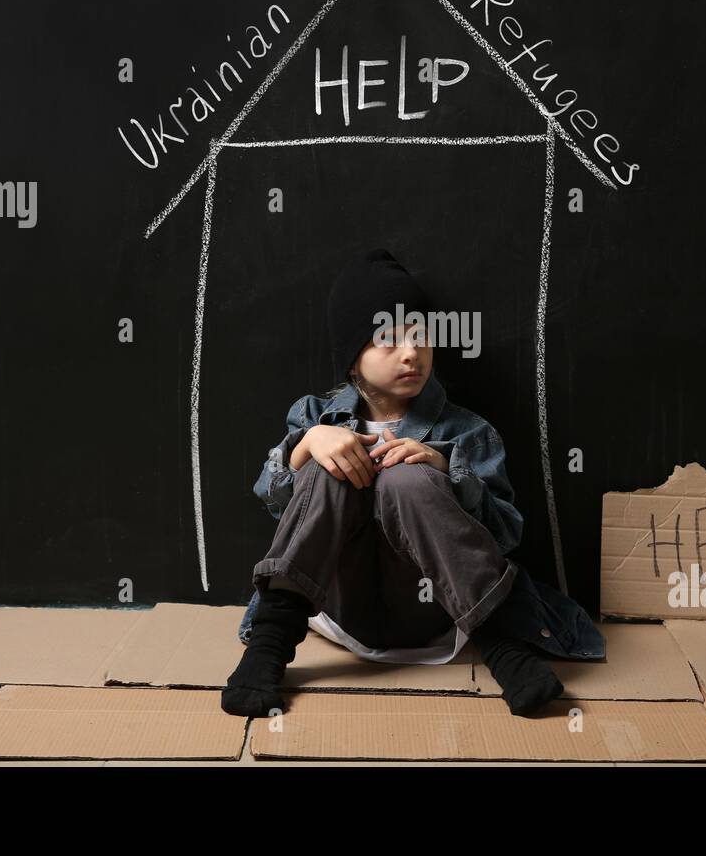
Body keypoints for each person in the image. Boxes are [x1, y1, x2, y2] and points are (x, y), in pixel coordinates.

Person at [221, 248, 566, 718]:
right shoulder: (313, 417)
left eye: (421, 337)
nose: (411, 353)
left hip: (438, 612)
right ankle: (268, 647)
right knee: (330, 467)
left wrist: (448, 472)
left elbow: (506, 534)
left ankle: (505, 650)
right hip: (340, 606)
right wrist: (305, 445)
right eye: (388, 339)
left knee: (408, 479)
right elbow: (275, 503)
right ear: (351, 361)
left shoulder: (466, 432)